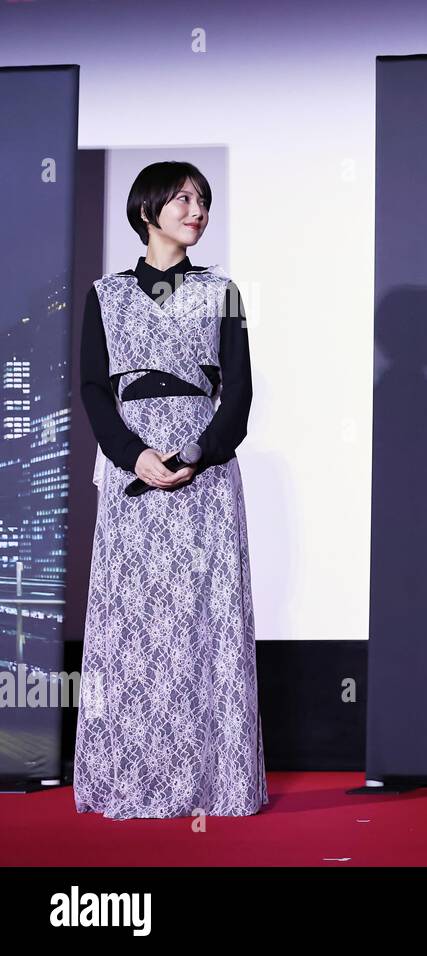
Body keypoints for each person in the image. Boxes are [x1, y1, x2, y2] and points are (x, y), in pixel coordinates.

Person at [73, 161, 266, 819]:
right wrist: (133, 455)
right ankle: (135, 773)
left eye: (203, 200)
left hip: (203, 471)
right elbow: (95, 390)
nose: (196, 209)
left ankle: (213, 780)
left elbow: (237, 393)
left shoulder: (222, 291)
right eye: (183, 198)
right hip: (132, 468)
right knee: (137, 627)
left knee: (203, 620)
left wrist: (198, 453)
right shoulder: (107, 293)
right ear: (148, 209)